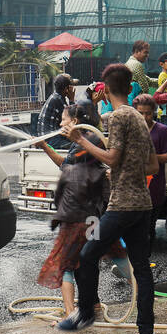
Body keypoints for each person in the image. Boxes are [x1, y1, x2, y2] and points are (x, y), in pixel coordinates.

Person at [59, 63, 160, 334]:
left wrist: (80, 139)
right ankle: (147, 333)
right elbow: (151, 165)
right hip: (143, 204)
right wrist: (122, 169)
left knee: (87, 256)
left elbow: (112, 157)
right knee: (141, 267)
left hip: (123, 205)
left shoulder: (115, 118)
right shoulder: (141, 119)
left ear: (103, 91)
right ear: (130, 89)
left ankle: (86, 312)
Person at [35, 101, 130, 319]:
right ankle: (97, 302)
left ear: (75, 122)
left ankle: (71, 314)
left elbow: (69, 165)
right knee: (91, 258)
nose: (60, 123)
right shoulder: (83, 143)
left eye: (64, 119)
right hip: (91, 215)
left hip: (80, 216)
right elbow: (65, 164)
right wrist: (45, 147)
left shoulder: (88, 142)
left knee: (67, 263)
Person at [132, 94, 167, 244]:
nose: (144, 117)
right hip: (132, 188)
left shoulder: (162, 131)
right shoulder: (130, 130)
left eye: (148, 113)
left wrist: (149, 158)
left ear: (154, 112)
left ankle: (145, 260)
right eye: (140, 113)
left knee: (148, 228)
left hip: (154, 188)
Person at [37, 73, 76, 146]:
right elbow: (71, 118)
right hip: (51, 139)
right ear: (66, 89)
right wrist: (71, 99)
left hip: (48, 137)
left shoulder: (55, 97)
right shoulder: (58, 100)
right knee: (75, 146)